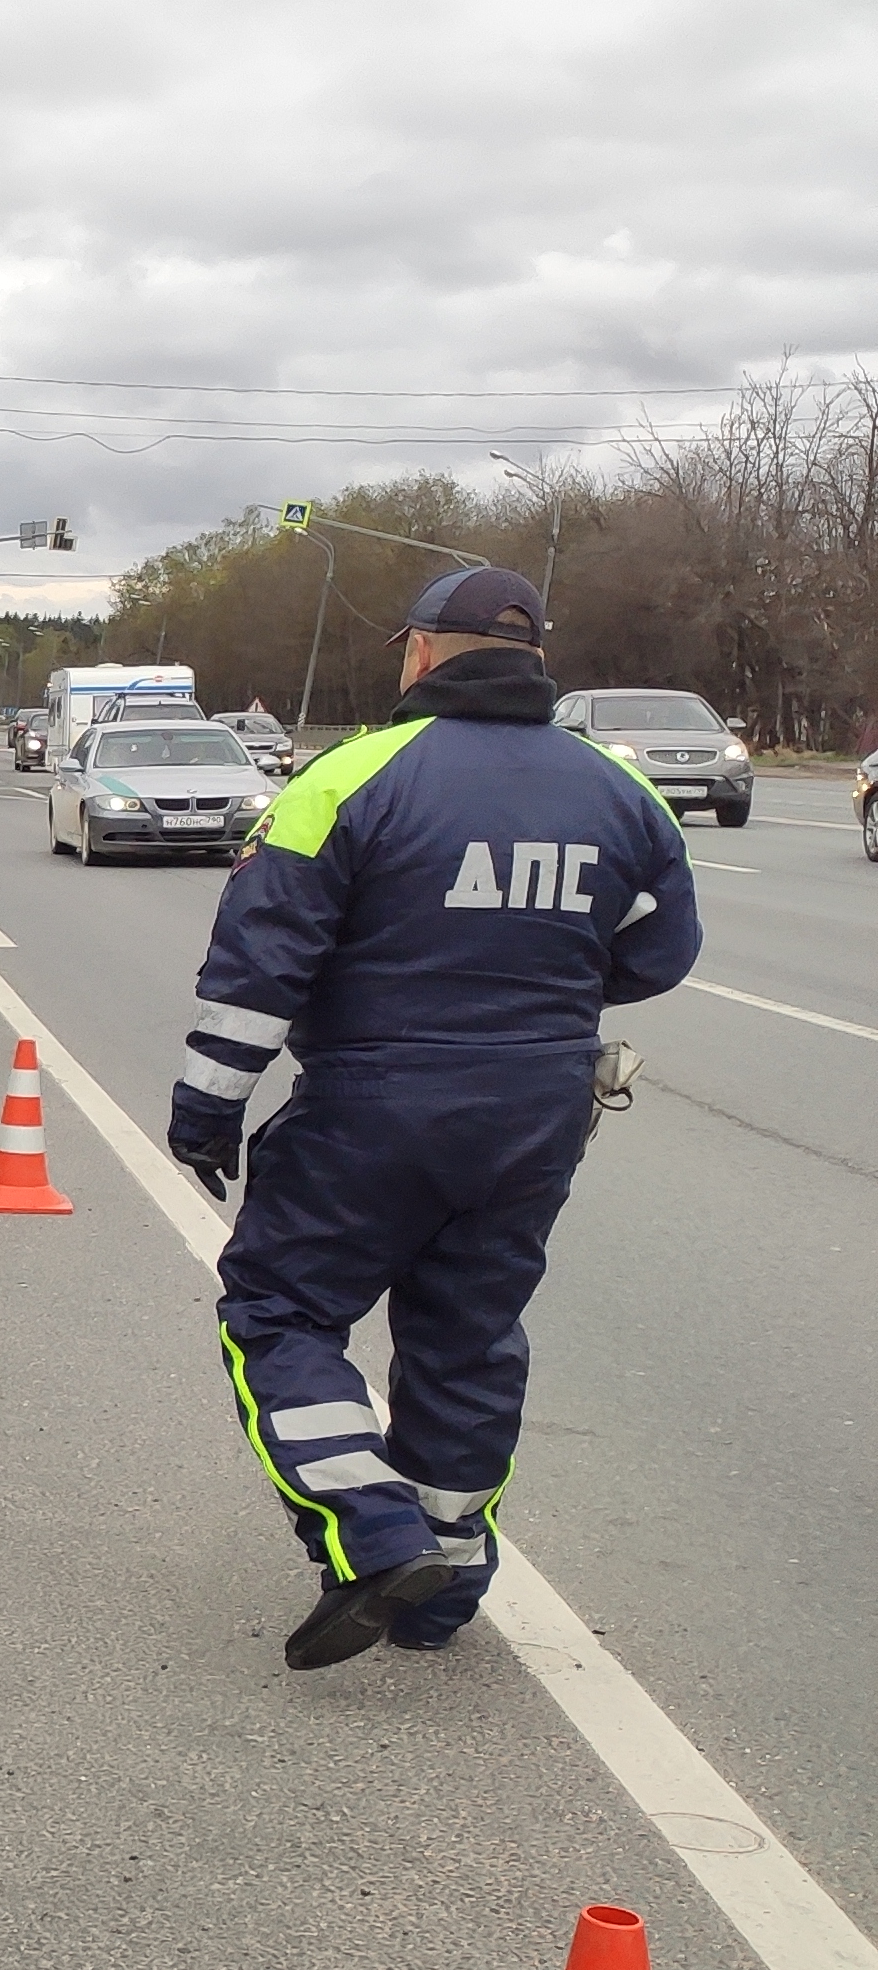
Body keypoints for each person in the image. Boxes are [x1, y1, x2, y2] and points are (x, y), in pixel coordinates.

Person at [169, 566, 699, 1669]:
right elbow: (658, 950)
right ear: (534, 657)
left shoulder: (350, 777)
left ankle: (369, 1527)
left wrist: (206, 1110)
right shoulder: (617, 789)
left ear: (417, 652)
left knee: (278, 1312)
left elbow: (260, 964)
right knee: (467, 1340)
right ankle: (442, 1591)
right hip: (536, 1111)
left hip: (374, 1105)